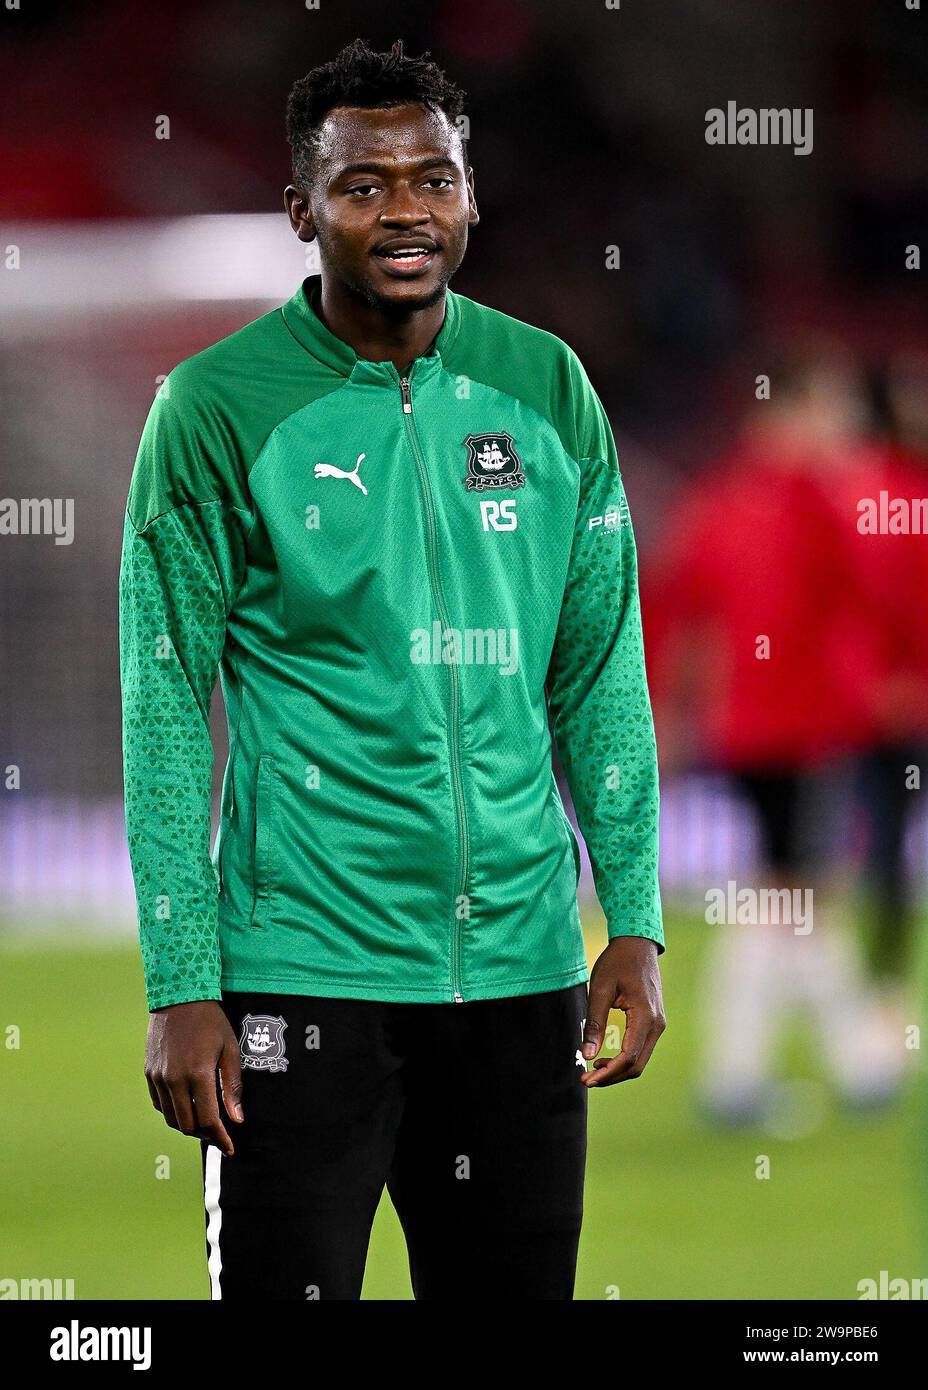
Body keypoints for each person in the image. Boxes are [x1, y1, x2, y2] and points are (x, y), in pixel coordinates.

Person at [118, 38, 665, 1301]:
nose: (405, 211)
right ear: (303, 211)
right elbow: (162, 702)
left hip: (521, 973)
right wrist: (182, 981)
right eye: (365, 186)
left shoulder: (547, 385)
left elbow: (596, 670)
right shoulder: (212, 407)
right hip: (303, 967)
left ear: (471, 195)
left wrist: (629, 913)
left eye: (434, 179)